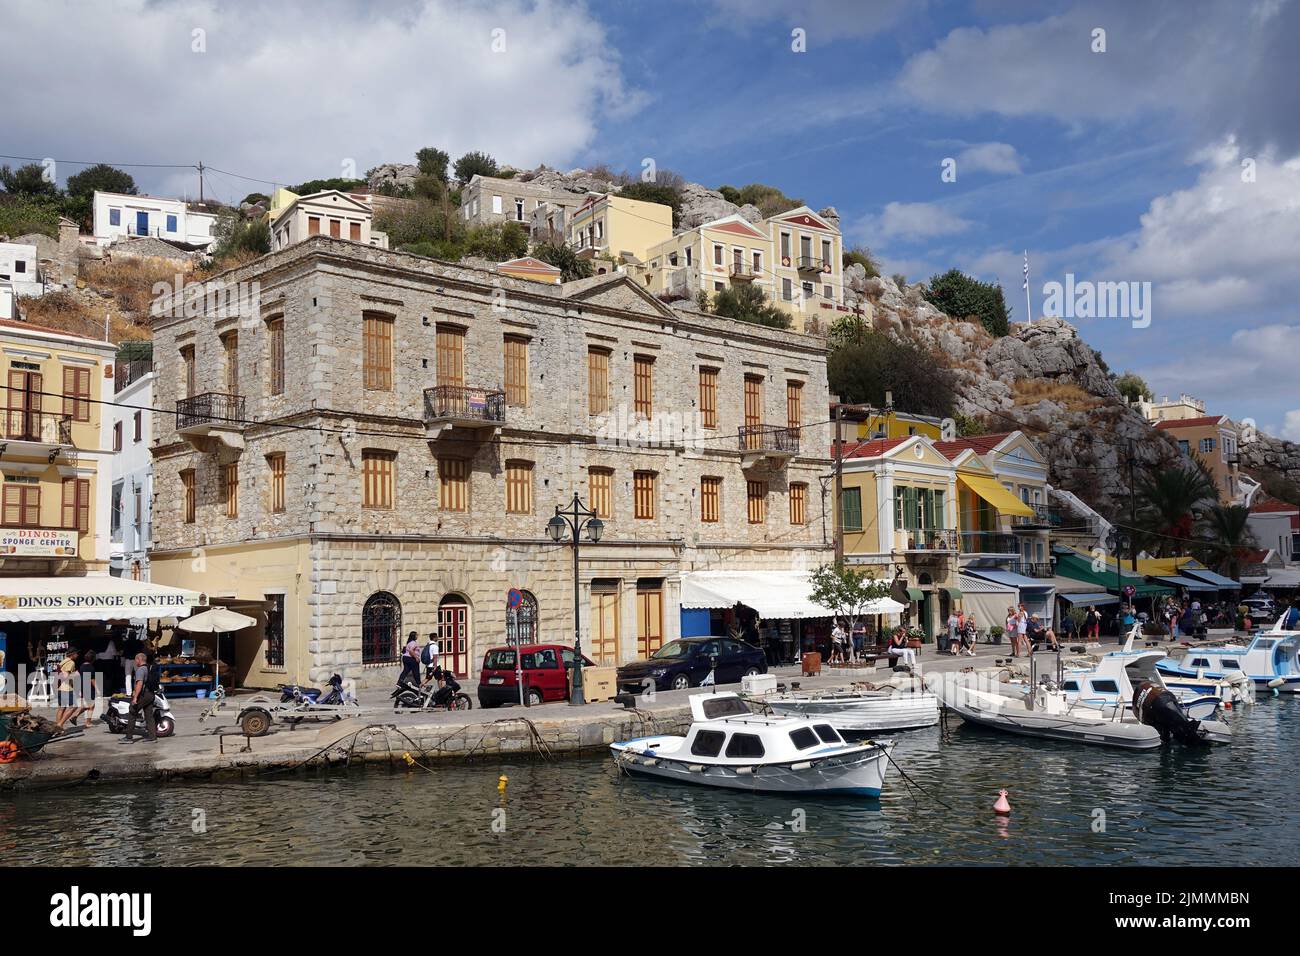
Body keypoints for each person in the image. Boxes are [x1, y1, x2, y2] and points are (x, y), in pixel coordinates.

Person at [122, 652, 158, 744]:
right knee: (149, 716)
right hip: (150, 694)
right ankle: (152, 737)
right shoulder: (148, 668)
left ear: (139, 659)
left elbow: (139, 684)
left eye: (135, 659)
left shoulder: (140, 670)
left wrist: (135, 698)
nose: (135, 661)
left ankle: (128, 737)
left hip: (144, 695)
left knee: (132, 711)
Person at [53, 648, 81, 731]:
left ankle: (58, 728)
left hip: (60, 688)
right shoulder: (71, 663)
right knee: (73, 707)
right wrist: (75, 674)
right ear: (72, 654)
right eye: (76, 653)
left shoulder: (63, 662)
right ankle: (60, 724)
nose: (77, 655)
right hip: (67, 688)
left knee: (62, 708)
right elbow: (65, 677)